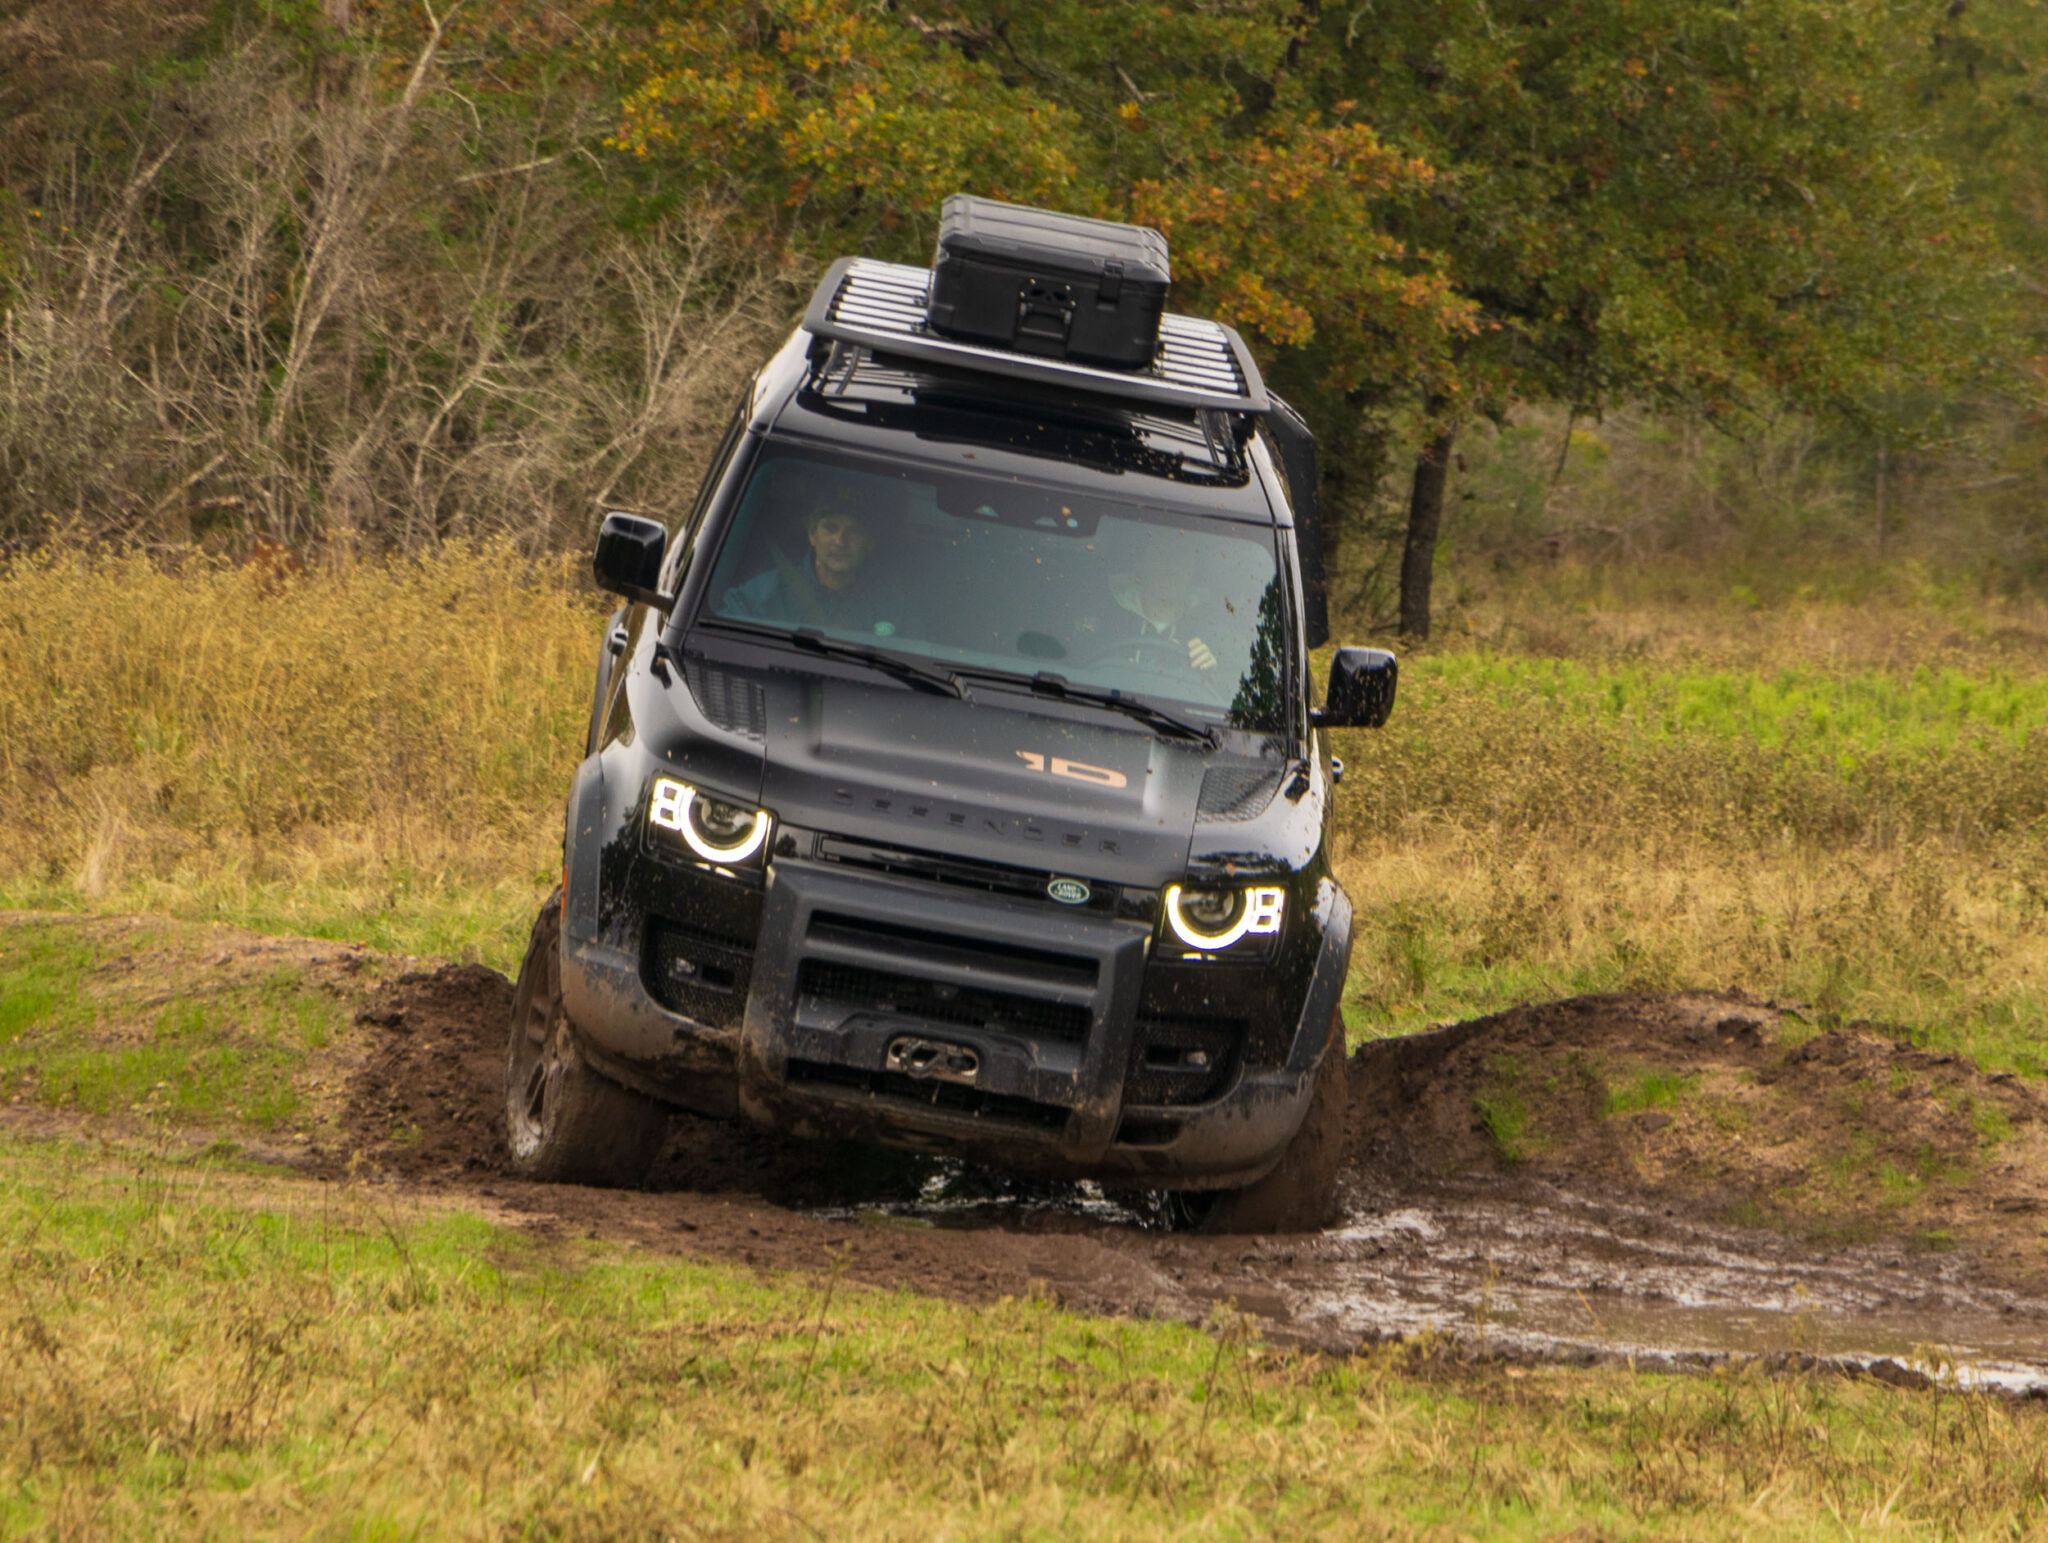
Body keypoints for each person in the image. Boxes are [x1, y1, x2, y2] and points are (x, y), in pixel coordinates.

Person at [720, 497, 914, 638]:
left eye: (853, 531)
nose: (840, 541)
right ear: (812, 535)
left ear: (869, 543)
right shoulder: (765, 593)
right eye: (830, 528)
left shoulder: (893, 605)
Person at [1093, 542, 1219, 672]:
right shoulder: (1104, 617)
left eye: (1180, 556)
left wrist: (1209, 670)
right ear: (1141, 563)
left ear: (1193, 567)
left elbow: (1226, 678)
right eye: (1161, 554)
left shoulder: (1214, 632)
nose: (1171, 567)